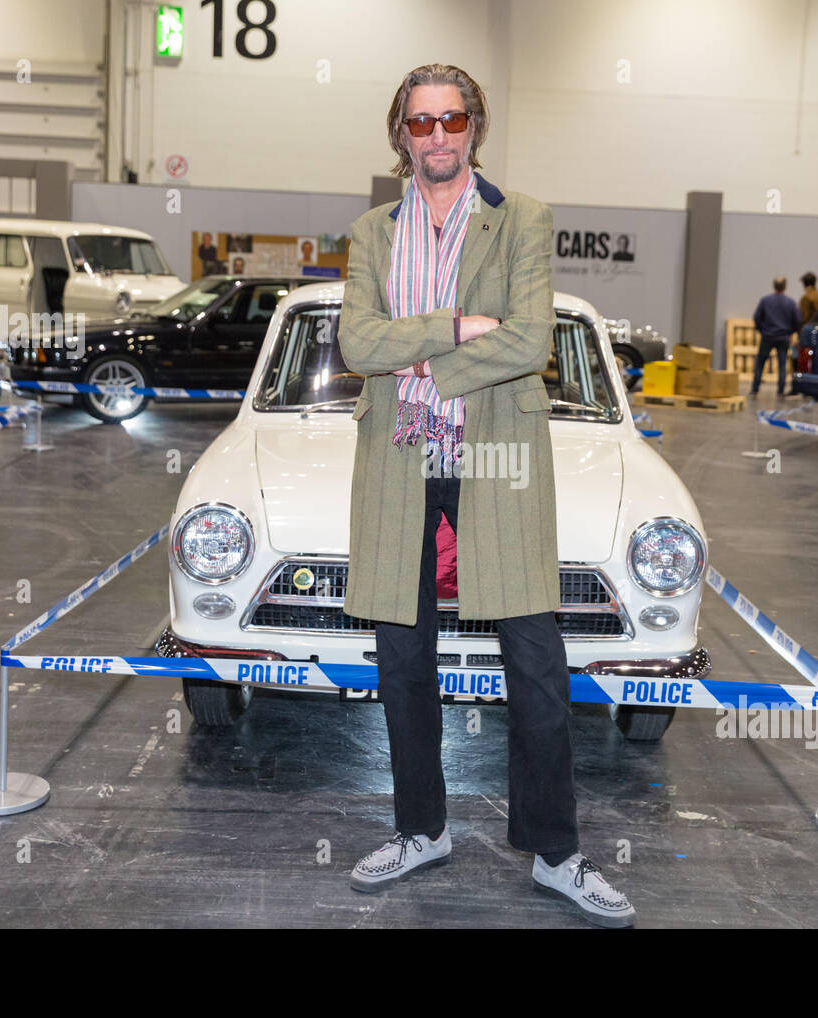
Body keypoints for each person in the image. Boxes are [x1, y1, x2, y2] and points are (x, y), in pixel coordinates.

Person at [337, 62, 635, 929]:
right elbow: (358, 343)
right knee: (403, 661)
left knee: (535, 656)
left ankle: (556, 852)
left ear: (476, 127)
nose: (438, 137)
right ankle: (419, 831)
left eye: (453, 120)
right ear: (401, 133)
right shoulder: (371, 233)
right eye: (421, 123)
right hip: (399, 454)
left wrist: (420, 356)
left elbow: (531, 340)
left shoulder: (523, 220)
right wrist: (458, 328)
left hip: (497, 449)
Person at [750, 276, 800, 397]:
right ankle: (780, 390)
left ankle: (755, 389)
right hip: (783, 337)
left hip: (768, 336)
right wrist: (790, 332)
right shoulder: (791, 302)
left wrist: (762, 330)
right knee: (782, 364)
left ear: (774, 285)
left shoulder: (765, 300)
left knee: (760, 363)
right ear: (785, 286)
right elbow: (797, 321)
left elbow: (757, 317)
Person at [791, 271, 818, 392]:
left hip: (806, 333)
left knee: (798, 358)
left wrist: (798, 335)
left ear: (804, 284)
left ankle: (798, 387)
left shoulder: (806, 297)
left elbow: (803, 318)